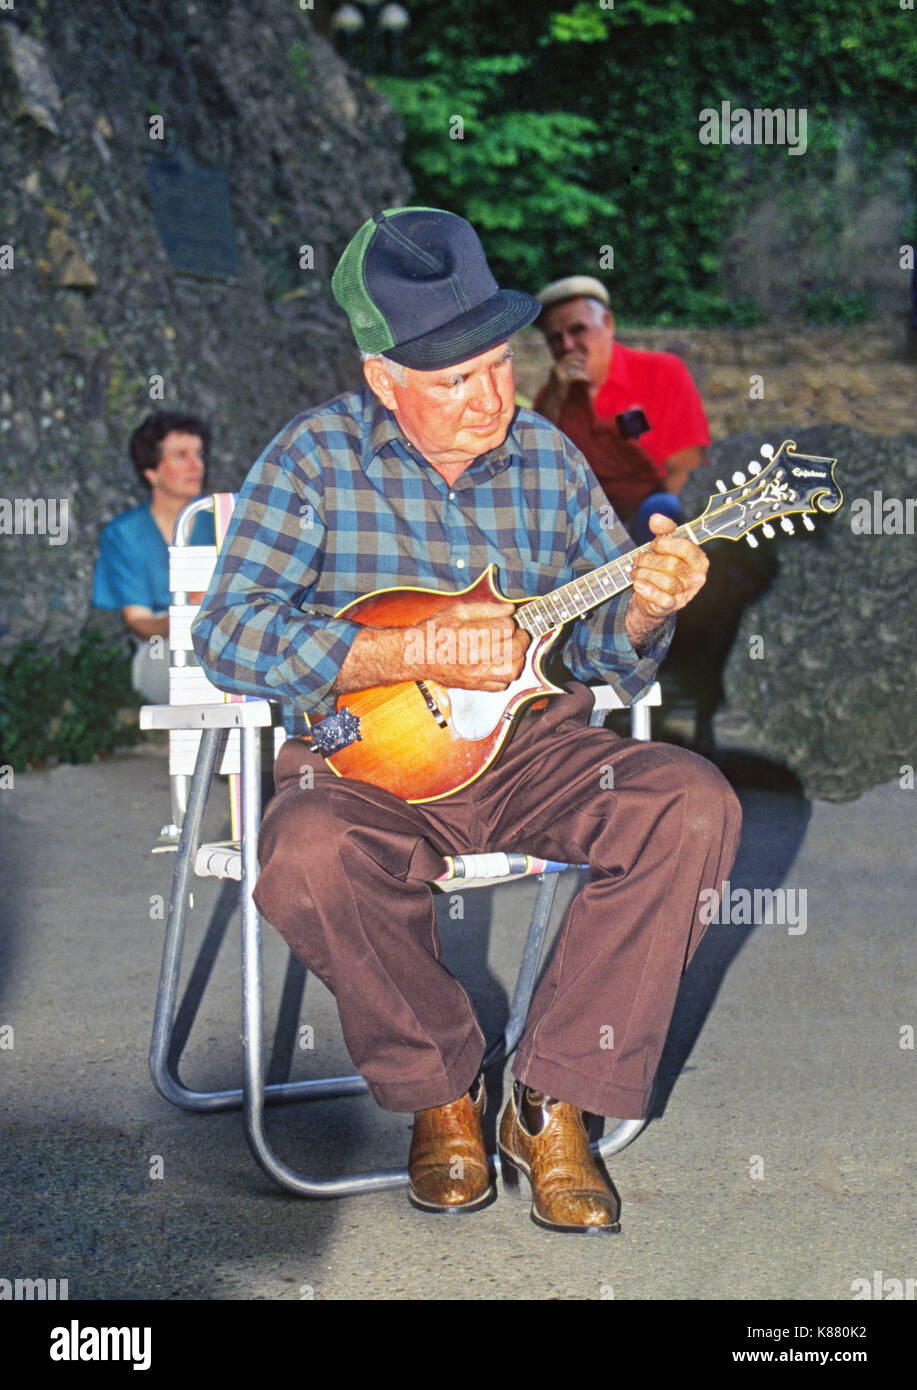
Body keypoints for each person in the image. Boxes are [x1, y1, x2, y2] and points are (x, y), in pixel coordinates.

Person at [192, 208, 741, 1233]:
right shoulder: (312, 460)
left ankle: (550, 1097)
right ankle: (443, 1086)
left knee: (688, 804)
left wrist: (644, 606)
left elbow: (602, 661)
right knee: (303, 854)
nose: (490, 397)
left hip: (531, 752)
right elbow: (229, 635)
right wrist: (406, 651)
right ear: (381, 379)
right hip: (364, 765)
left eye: (497, 364)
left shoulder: (546, 458)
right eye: (452, 381)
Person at [533, 276, 710, 543]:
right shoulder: (551, 397)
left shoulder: (661, 372)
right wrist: (556, 397)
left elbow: (686, 469)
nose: (567, 346)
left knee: (663, 508)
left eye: (578, 330)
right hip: (588, 529)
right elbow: (539, 476)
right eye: (555, 338)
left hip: (652, 518)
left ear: (608, 324)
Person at [93, 411, 214, 704]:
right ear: (152, 472)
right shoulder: (125, 533)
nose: (197, 466)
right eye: (181, 456)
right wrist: (187, 614)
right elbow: (140, 622)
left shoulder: (222, 520)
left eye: (198, 454)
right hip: (163, 649)